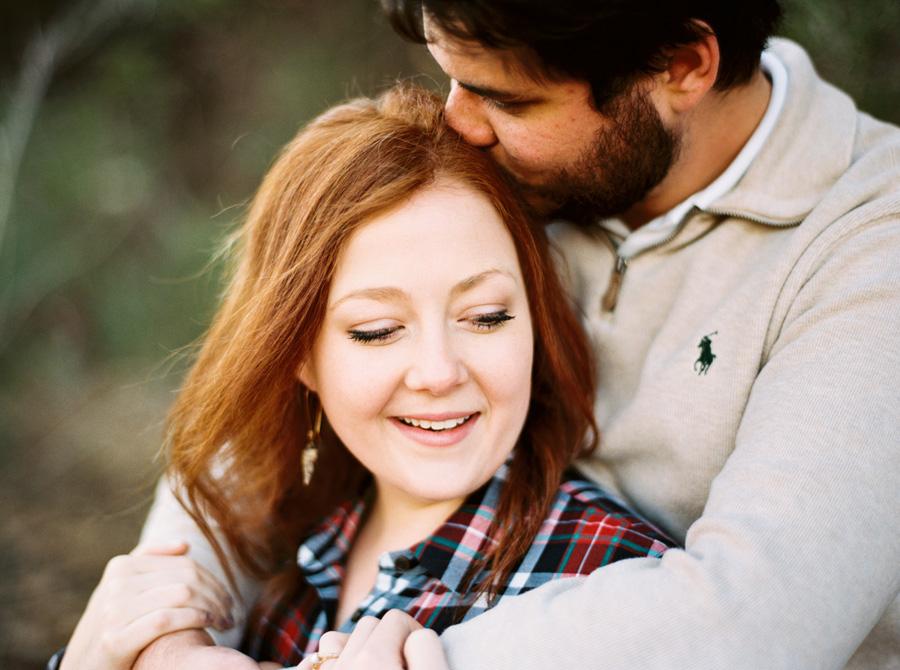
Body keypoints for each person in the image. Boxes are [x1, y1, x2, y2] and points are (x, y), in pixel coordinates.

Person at [133, 1, 900, 668]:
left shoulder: (870, 243)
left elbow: (755, 617)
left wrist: (410, 657)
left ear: (682, 66)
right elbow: (292, 347)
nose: (459, 124)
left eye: (507, 99)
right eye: (452, 79)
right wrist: (165, 622)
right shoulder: (517, 158)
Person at [52, 84, 672, 670]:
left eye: (486, 317)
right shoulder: (287, 541)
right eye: (378, 330)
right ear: (299, 355)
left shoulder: (615, 580)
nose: (439, 373)